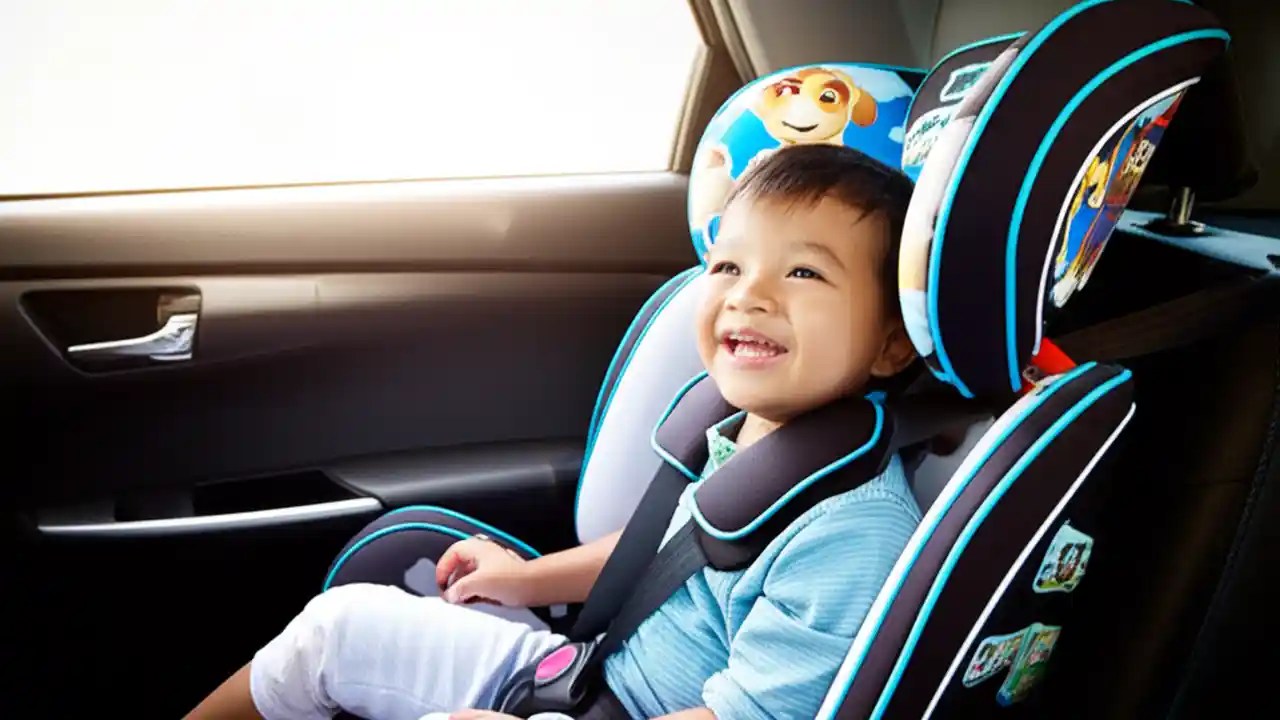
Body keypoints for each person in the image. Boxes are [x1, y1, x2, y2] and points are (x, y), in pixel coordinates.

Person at [184, 142, 922, 720]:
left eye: (803, 274)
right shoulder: (746, 437)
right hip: (588, 674)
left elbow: (753, 714)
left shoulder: (854, 531)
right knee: (338, 629)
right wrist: (527, 578)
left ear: (893, 342)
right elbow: (658, 545)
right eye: (728, 265)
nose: (748, 294)